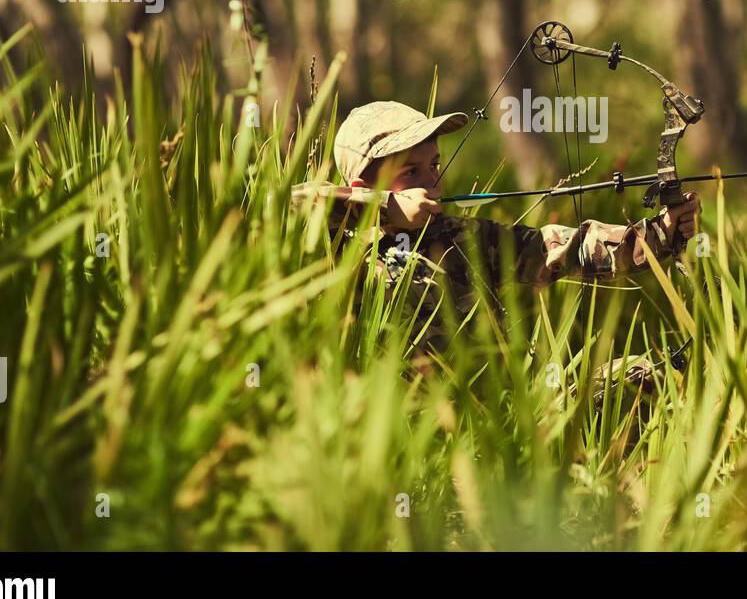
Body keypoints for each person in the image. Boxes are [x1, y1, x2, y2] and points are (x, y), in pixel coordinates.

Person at [292, 100, 700, 389]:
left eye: (433, 165)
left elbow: (557, 247)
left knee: (643, 376)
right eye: (410, 170)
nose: (431, 180)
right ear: (362, 185)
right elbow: (291, 203)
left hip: (503, 410)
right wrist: (386, 209)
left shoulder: (463, 237)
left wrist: (660, 233)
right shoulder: (336, 248)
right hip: (402, 424)